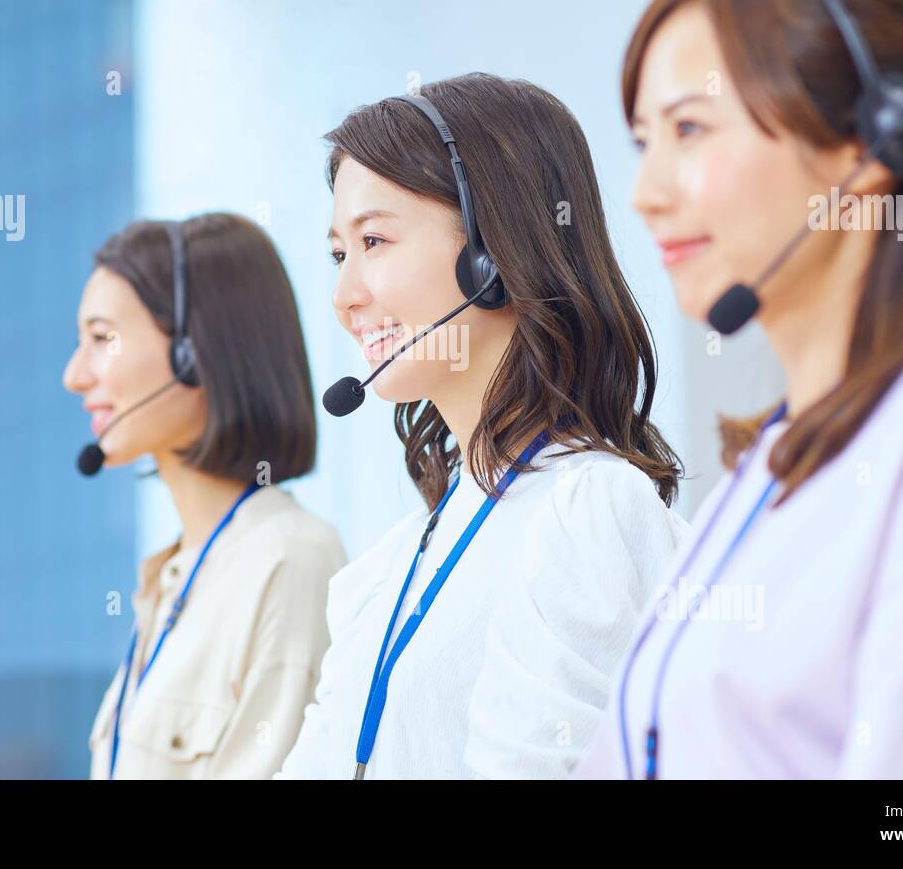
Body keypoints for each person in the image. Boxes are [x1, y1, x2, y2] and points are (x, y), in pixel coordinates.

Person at [576, 0, 903, 779]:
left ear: (871, 145)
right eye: (643, 142)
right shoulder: (767, 463)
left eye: (690, 130)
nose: (646, 193)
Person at [277, 73, 689, 779]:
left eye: (375, 241)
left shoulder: (586, 510)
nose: (347, 297)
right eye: (339, 254)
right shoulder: (396, 562)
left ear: (490, 256)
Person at [64, 213, 347, 778]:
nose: (75, 375)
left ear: (194, 354)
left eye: (102, 339)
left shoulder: (288, 559)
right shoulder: (170, 577)